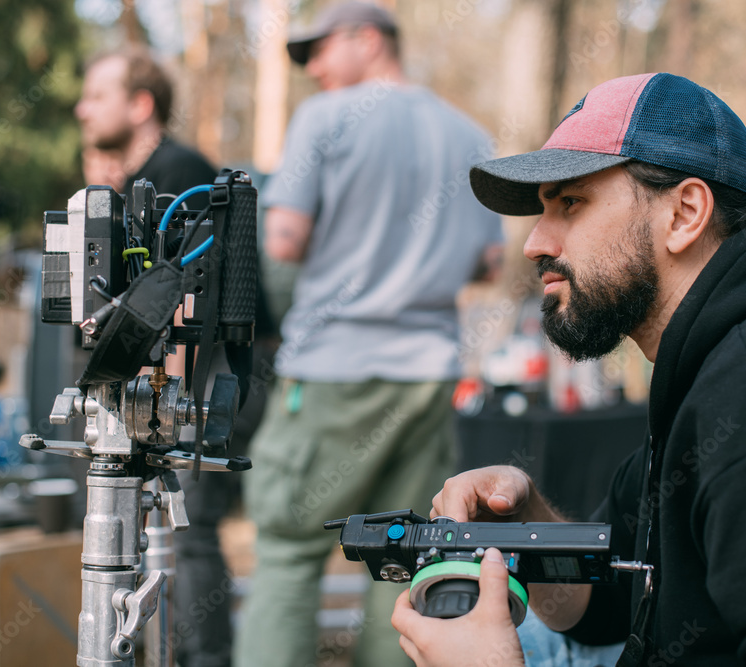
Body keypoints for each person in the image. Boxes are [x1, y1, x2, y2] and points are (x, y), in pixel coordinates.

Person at [391, 73, 746, 667]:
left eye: (570, 203)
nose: (535, 242)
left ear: (684, 213)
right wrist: (529, 522)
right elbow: (609, 602)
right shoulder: (701, 358)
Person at [234, 3, 504, 666]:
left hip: (333, 370)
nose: (315, 69)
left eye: (320, 50)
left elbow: (284, 236)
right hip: (428, 373)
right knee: (405, 557)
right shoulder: (468, 134)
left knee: (290, 553)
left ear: (369, 40)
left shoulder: (323, 120)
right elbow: (490, 263)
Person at [74, 48, 256, 667]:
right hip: (202, 368)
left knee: (191, 529)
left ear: (140, 105)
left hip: (213, 368)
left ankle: (203, 658)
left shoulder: (176, 170)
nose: (82, 107)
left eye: (97, 94)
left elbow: (177, 307)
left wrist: (161, 404)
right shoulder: (148, 176)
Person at [75, 47, 215, 209]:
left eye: (97, 97)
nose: (81, 111)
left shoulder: (183, 173)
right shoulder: (125, 185)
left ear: (140, 106)